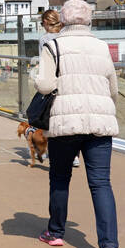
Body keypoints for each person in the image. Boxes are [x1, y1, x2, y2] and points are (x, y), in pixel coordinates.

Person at [33, 0, 121, 248]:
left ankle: (55, 232)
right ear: (90, 19)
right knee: (101, 183)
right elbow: (113, 87)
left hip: (65, 123)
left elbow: (46, 86)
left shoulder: (53, 45)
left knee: (60, 178)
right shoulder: (101, 47)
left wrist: (37, 78)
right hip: (99, 123)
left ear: (64, 19)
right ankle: (109, 246)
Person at [38, 9, 80, 169]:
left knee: (51, 118)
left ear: (47, 23)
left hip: (53, 83)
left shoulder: (44, 39)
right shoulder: (69, 37)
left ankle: (52, 151)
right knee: (72, 117)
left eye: (42, 23)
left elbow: (43, 64)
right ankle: (75, 156)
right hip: (71, 80)